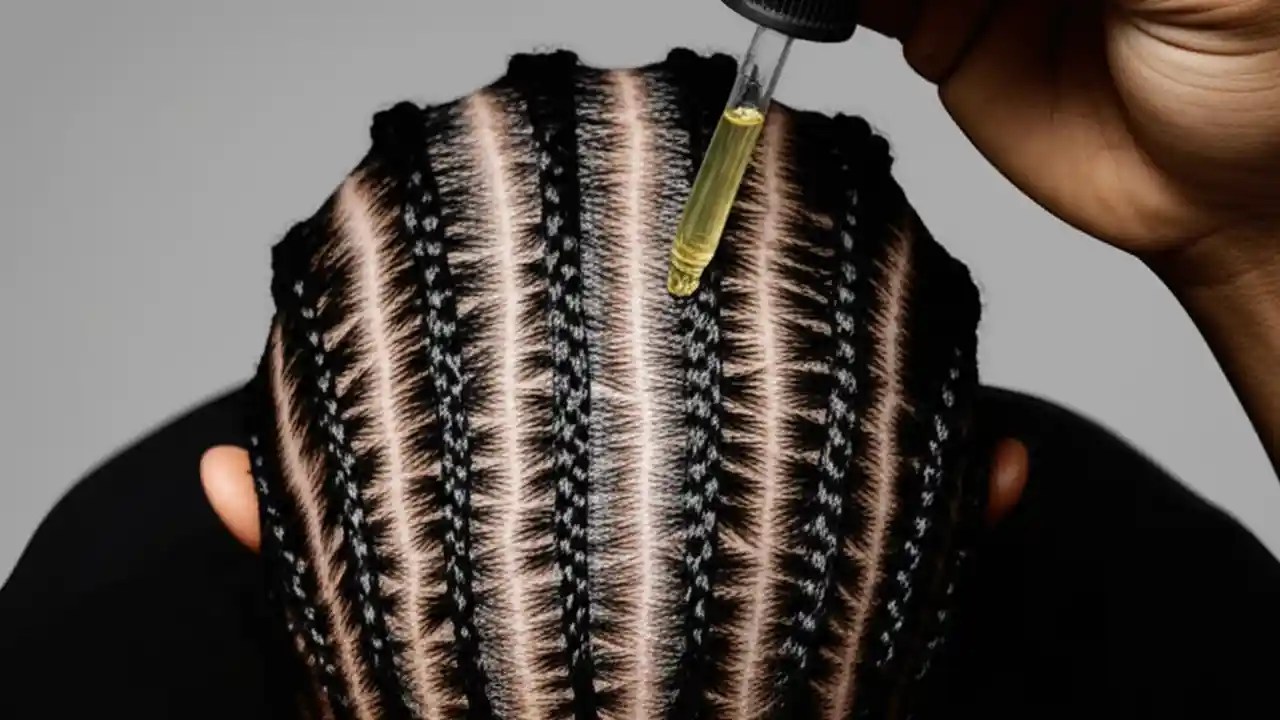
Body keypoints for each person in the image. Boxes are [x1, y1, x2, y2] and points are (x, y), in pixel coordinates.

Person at [2, 2, 1277, 718]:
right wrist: (1238, 242)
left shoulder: (84, 655)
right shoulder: (1173, 638)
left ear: (242, 505)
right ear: (990, 501)